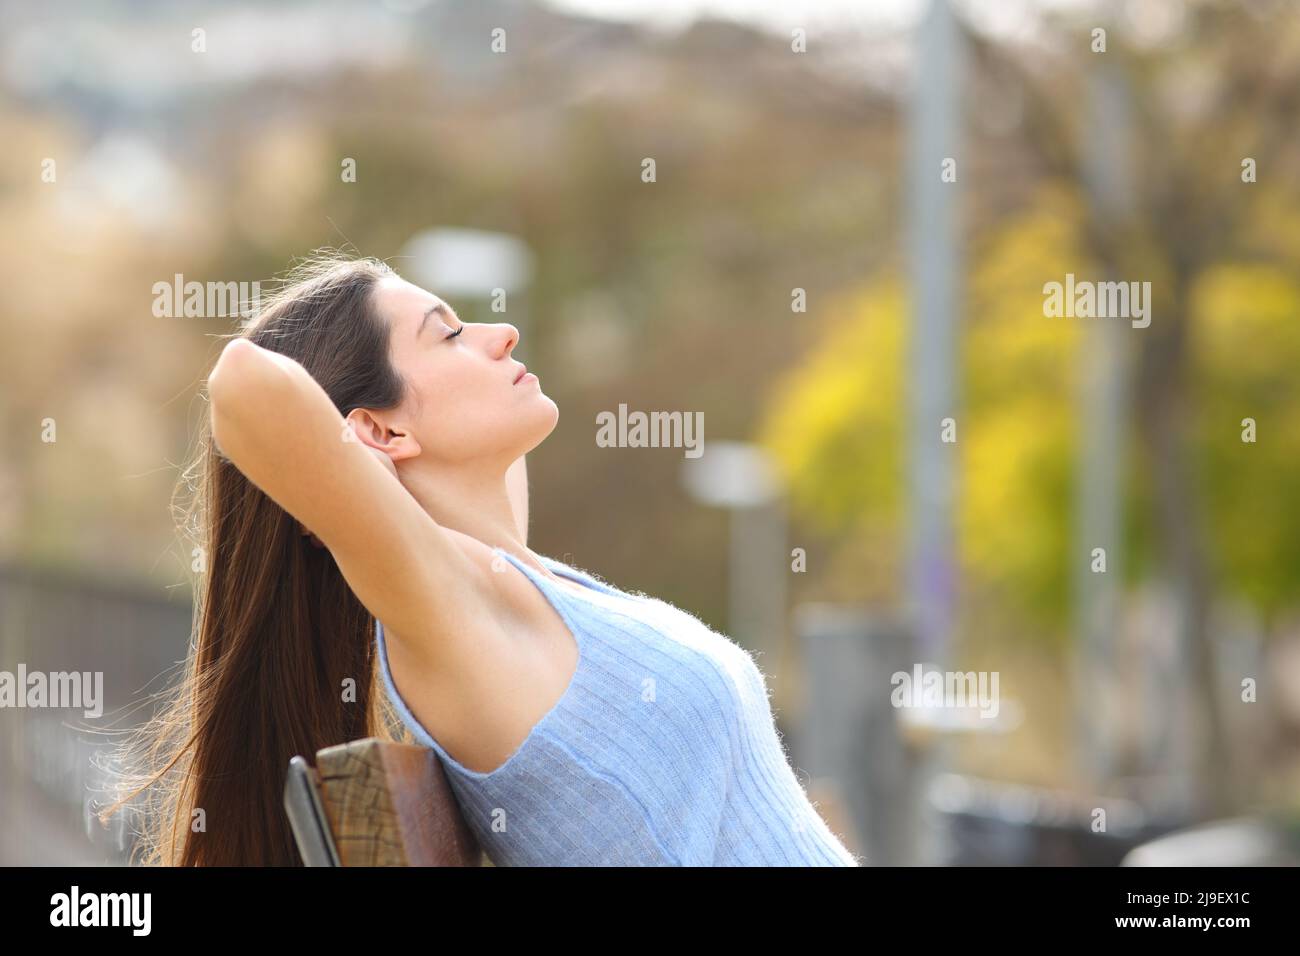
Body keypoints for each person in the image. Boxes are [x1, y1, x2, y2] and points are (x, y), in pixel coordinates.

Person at [100, 252, 861, 866]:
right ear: (381, 433)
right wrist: (356, 479)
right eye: (452, 333)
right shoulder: (455, 615)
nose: (503, 333)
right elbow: (242, 383)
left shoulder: (514, 581)